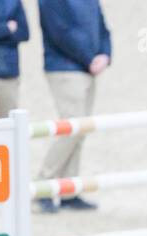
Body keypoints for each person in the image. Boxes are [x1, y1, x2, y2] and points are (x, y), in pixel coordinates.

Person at [34, 0, 111, 213]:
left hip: (89, 67)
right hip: (65, 68)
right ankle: (43, 185)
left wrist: (105, 54)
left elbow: (102, 26)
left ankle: (68, 189)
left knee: (81, 130)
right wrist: (89, 58)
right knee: (70, 127)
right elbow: (60, 32)